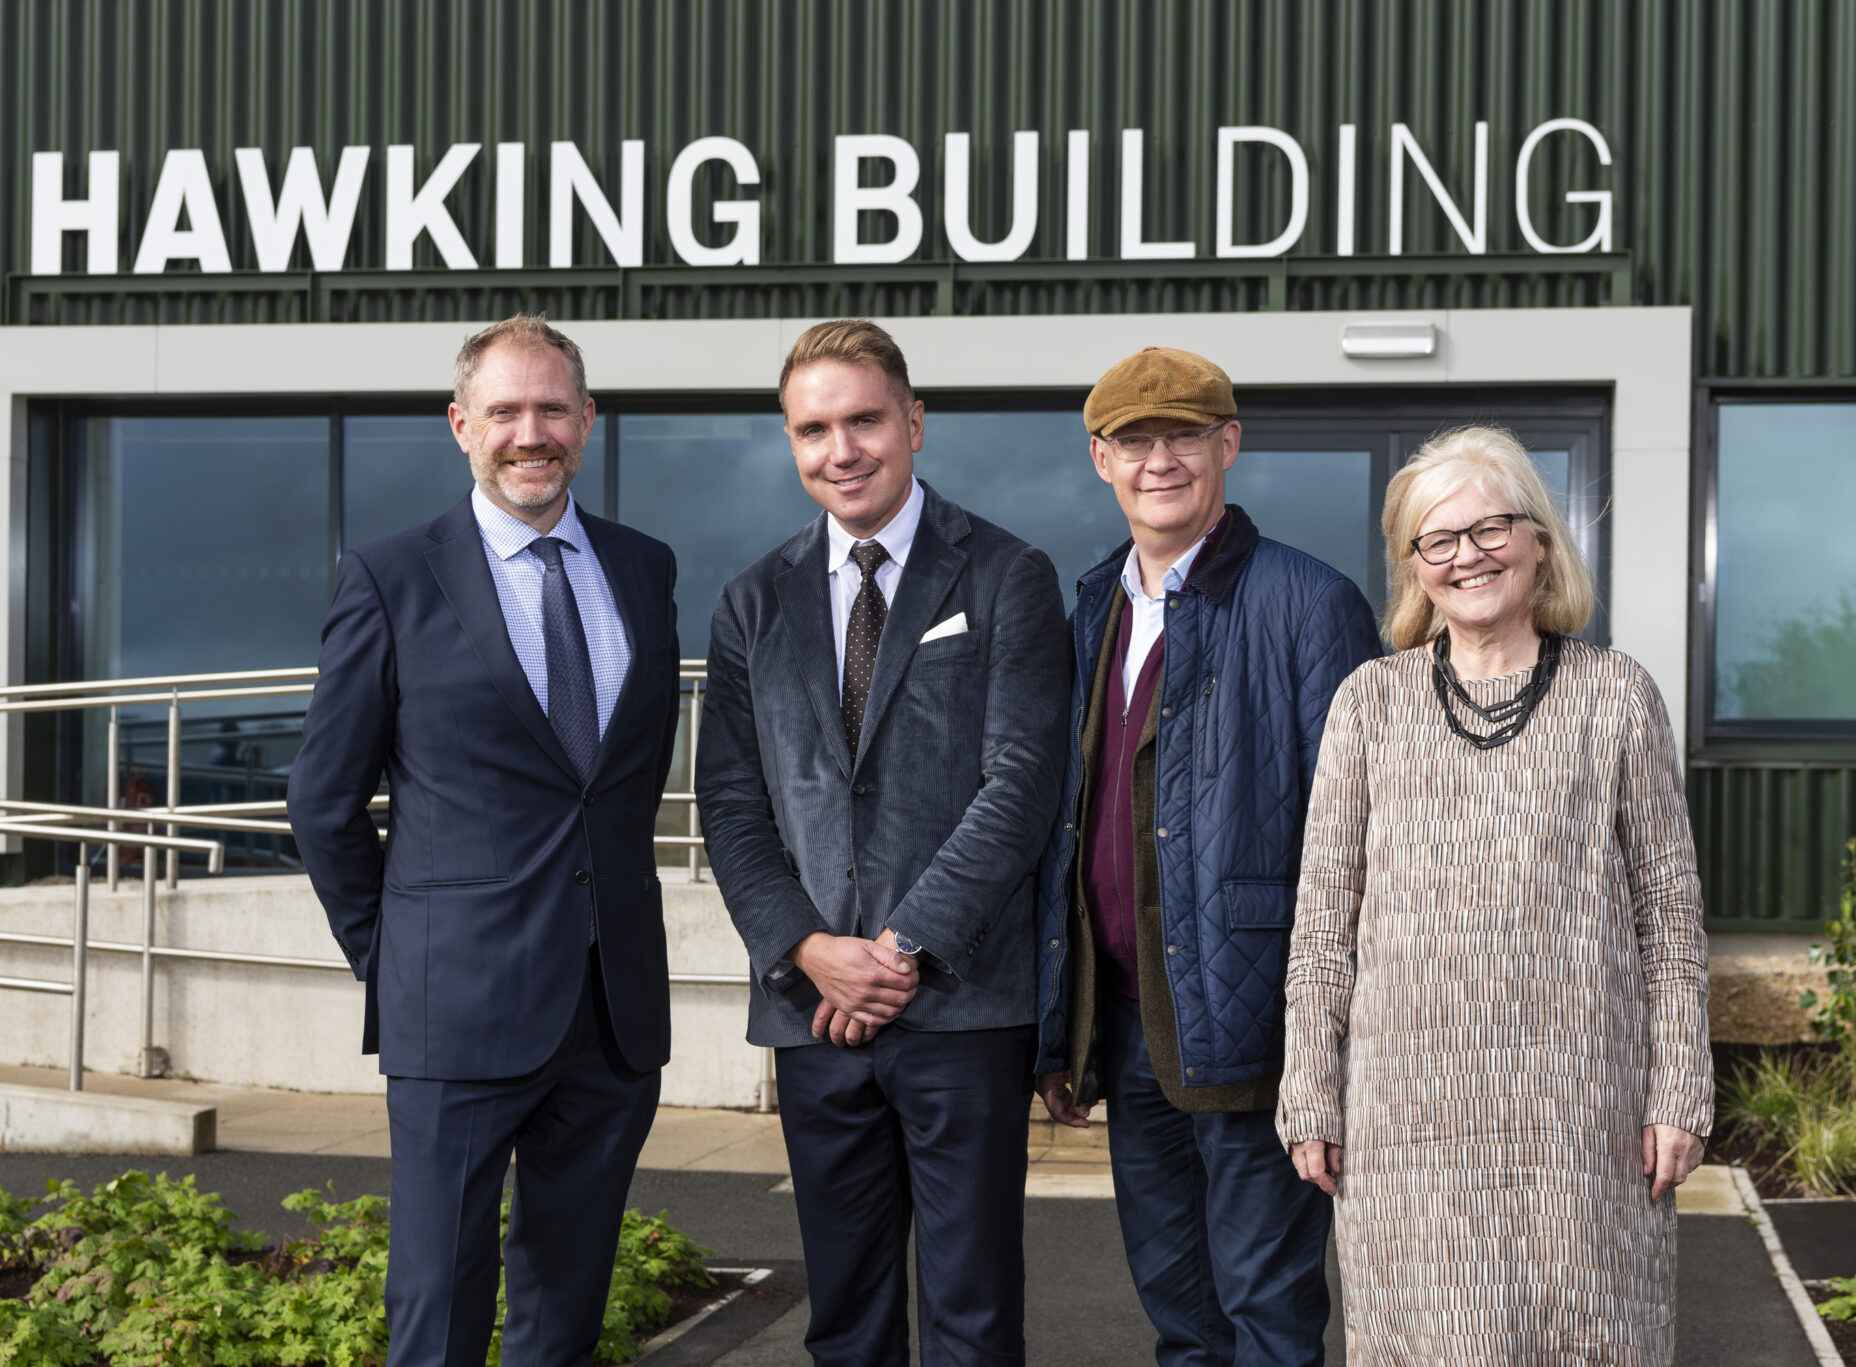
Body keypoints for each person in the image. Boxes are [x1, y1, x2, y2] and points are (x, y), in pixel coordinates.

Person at [287, 315, 680, 1367]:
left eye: (552, 407)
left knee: (566, 1303)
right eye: (504, 410)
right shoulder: (390, 576)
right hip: (452, 1005)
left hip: (610, 1008)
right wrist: (396, 956)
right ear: (460, 425)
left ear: (587, 421)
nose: (529, 432)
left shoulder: (645, 569)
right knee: (439, 1298)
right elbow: (323, 801)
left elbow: (625, 784)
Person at [1276, 425, 1714, 1364]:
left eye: (1491, 527)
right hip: (1407, 1117)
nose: (1468, 555)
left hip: (1583, 1110)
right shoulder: (1369, 702)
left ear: (1540, 540)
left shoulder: (1617, 697)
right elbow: (1323, 924)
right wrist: (1309, 1085)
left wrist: (1680, 1085)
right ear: (1413, 565)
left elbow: (1669, 917)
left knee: (1587, 1334)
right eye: (1439, 538)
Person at [695, 319, 1070, 1367]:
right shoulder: (750, 600)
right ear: (790, 441)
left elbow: (1020, 786)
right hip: (812, 1011)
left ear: (913, 421)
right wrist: (808, 946)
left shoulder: (1005, 575)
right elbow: (729, 803)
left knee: (972, 1313)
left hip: (957, 1005)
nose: (840, 449)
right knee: (843, 1321)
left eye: (862, 419)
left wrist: (900, 948)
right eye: (812, 428)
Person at [1032, 346, 1381, 1366]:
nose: (1158, 460)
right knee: (1177, 1307)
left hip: (1251, 1021)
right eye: (1133, 441)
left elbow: (1354, 832)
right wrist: (1066, 1026)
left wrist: (1327, 1043)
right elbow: (1071, 814)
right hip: (1130, 1019)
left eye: (1182, 434)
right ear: (1099, 458)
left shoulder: (1309, 602)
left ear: (1227, 444)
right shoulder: (1094, 602)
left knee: (1266, 1311)